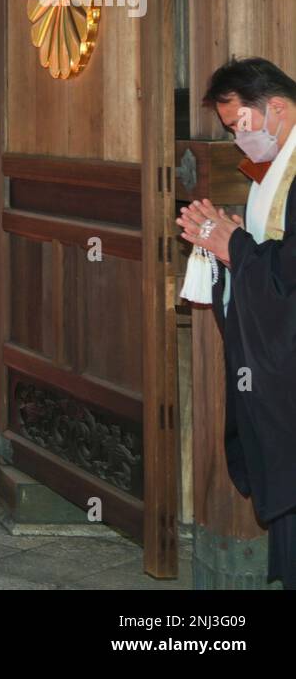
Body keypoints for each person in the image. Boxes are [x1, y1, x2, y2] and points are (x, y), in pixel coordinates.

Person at [178, 56, 296, 589]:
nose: (238, 140)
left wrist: (236, 249)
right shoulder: (280, 164)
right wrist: (230, 245)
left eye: (238, 127)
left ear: (274, 108)